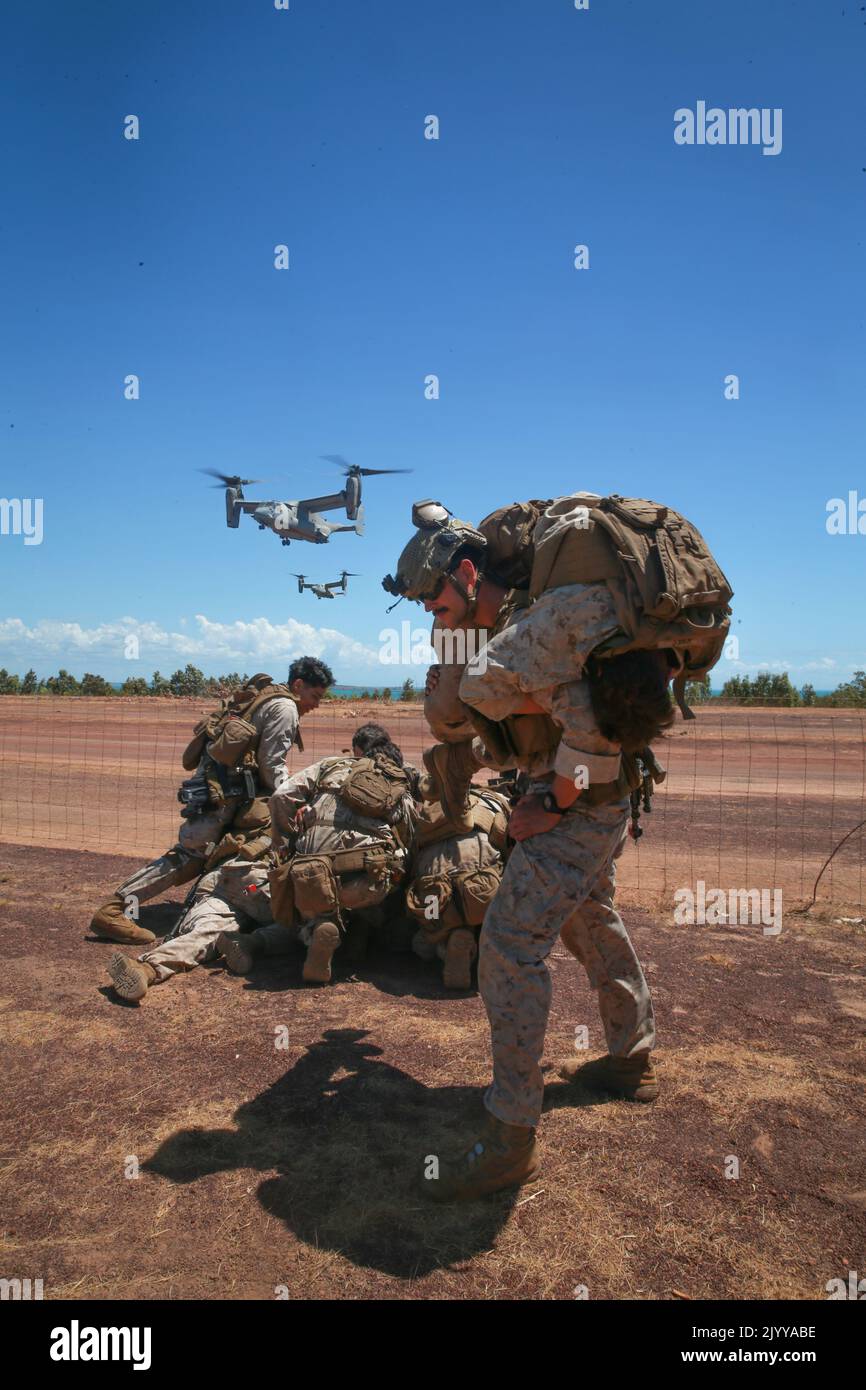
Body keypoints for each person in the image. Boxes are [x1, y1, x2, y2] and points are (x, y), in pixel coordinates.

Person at [383, 500, 677, 1201]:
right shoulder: (513, 618)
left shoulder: (529, 632)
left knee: (510, 948)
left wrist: (555, 802)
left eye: (434, 598)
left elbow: (594, 733)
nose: (430, 614)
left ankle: (511, 1136)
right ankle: (631, 1058)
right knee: (587, 915)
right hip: (599, 801)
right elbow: (513, 713)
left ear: (464, 571)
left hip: (584, 804)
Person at [103, 720, 400, 1002]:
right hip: (268, 890)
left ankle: (147, 968)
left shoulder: (302, 793)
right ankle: (254, 943)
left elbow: (282, 797)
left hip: (229, 878)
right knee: (310, 922)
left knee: (207, 934)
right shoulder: (376, 800)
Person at [89, 658, 333, 946]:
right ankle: (115, 910)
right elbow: (272, 764)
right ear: (298, 685)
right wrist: (293, 798)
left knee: (213, 852)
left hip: (223, 789)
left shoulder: (268, 698)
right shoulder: (285, 707)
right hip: (224, 794)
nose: (316, 704)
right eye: (315, 696)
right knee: (191, 853)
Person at [216, 724, 418, 986]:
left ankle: (320, 929)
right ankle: (361, 932)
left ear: (360, 752)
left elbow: (280, 797)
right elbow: (412, 838)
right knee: (395, 864)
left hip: (311, 875)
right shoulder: (398, 782)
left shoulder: (332, 765)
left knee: (308, 910)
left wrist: (285, 847)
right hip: (365, 885)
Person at [406, 785, 511, 990]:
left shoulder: (434, 806)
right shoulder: (498, 804)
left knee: (422, 946)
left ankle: (441, 945)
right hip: (479, 889)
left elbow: (413, 859)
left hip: (434, 892)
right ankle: (473, 941)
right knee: (482, 905)